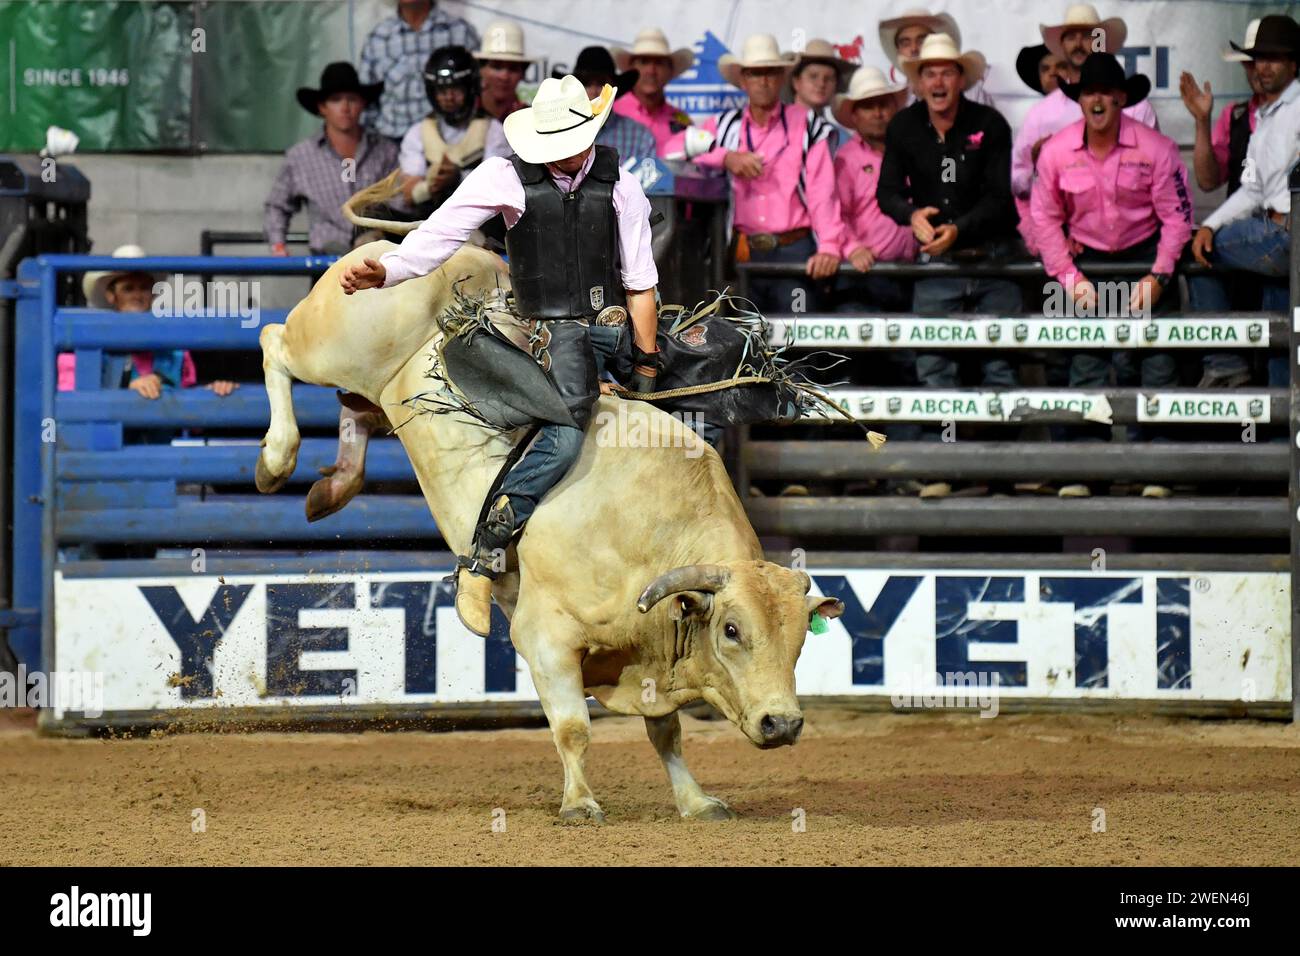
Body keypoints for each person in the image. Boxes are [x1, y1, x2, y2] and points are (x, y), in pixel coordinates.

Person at [337, 76, 660, 636]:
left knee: (707, 371)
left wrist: (650, 363)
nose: (562, 154)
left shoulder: (622, 187)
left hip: (608, 323)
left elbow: (639, 283)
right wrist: (388, 270)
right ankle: (485, 548)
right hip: (543, 326)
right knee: (567, 424)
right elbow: (438, 237)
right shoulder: (502, 177)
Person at [1031, 54, 1193, 497]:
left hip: (1146, 260)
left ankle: (1156, 470)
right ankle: (1085, 470)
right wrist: (1069, 277)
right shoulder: (1056, 152)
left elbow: (1178, 218)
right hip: (1086, 266)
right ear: (1079, 100)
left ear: (1121, 99)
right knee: (1086, 366)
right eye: (1088, 92)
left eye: (1105, 92)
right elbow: (1044, 219)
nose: (1097, 99)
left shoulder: (1156, 148)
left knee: (1156, 366)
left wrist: (1158, 277)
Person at [877, 32, 1020, 498]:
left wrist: (958, 229)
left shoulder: (991, 124)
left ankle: (999, 475)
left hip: (992, 260)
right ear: (918, 81)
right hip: (936, 266)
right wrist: (911, 215)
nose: (938, 81)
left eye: (946, 72)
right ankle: (945, 469)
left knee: (999, 367)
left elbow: (1002, 200)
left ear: (961, 78)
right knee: (935, 369)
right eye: (929, 73)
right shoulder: (902, 127)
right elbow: (888, 193)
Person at [670, 33, 844, 315]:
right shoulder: (726, 125)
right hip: (742, 251)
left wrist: (829, 246)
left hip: (795, 250)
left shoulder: (808, 124)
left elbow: (822, 192)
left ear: (781, 79)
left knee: (796, 341)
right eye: (755, 74)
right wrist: (726, 157)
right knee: (744, 344)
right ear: (743, 80)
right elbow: (674, 148)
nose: (763, 81)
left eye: (771, 73)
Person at [1189, 14, 1300, 391]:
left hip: (1285, 231)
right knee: (1278, 328)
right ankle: (1277, 429)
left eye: (1273, 58)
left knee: (1197, 254)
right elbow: (1251, 188)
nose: (1261, 67)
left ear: (1293, 63)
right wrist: (1209, 224)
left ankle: (1224, 362)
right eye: (1256, 59)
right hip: (1275, 235)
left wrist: (1210, 230)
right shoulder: (1262, 118)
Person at [1012, 5, 1160, 255]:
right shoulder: (1041, 115)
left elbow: (1160, 178)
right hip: (1065, 248)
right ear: (1061, 46)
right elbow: (1019, 187)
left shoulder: (1136, 109)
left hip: (1137, 245)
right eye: (1071, 36)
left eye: (1088, 35)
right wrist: (1037, 170)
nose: (1079, 43)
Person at [61, 245, 237, 400]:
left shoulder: (175, 350)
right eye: (128, 289)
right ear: (111, 296)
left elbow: (190, 407)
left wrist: (214, 392)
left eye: (144, 288)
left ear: (153, 294)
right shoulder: (87, 341)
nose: (137, 295)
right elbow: (70, 395)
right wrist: (126, 390)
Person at [264, 63, 400, 256]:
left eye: (351, 99)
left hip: (377, 262)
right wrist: (277, 245)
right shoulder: (301, 156)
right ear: (322, 107)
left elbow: (402, 204)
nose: (345, 107)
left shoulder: (386, 151)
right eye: (336, 100)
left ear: (362, 103)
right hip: (325, 263)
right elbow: (277, 205)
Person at [832, 66, 916, 311]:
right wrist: (852, 247)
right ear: (855, 116)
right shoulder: (846, 160)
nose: (878, 113)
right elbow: (835, 213)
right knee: (860, 347)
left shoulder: (911, 152)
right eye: (869, 106)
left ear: (894, 109)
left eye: (884, 105)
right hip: (862, 274)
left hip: (911, 272)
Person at [358, 0, 480, 141]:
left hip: (453, 140)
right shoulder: (378, 38)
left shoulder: (460, 32)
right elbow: (366, 102)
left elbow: (480, 88)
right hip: (394, 142)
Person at [399, 45, 499, 210]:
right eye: (441, 90)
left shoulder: (493, 131)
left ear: (470, 87)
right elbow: (410, 195)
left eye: (456, 89)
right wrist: (430, 187)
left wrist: (457, 178)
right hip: (427, 220)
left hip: (477, 221)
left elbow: (495, 189)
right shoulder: (417, 133)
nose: (449, 97)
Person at [1180, 20, 1265, 197]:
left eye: (1268, 59)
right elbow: (1208, 181)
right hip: (1242, 222)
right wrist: (1202, 121)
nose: (1259, 69)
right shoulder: (1234, 116)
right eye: (1251, 61)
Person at [877, 7, 995, 107]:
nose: (914, 49)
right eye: (905, 43)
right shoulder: (895, 101)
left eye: (921, 40)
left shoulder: (971, 92)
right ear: (898, 50)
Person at [1011, 43, 1066, 253]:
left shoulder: (1095, 112)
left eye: (1060, 65)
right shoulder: (1031, 119)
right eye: (1045, 68)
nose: (1052, 72)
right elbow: (1018, 184)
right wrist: (1036, 166)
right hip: (1044, 223)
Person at [611, 28, 696, 156]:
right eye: (644, 62)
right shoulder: (611, 112)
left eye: (659, 63)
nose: (651, 70)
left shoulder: (682, 120)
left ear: (670, 71)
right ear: (631, 70)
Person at [566, 46, 657, 164]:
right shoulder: (558, 132)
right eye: (586, 83)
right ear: (574, 89)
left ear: (614, 89)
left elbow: (647, 180)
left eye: (602, 84)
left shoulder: (640, 137)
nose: (594, 91)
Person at [787, 39, 855, 144]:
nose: (821, 84)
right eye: (813, 76)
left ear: (835, 86)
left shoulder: (842, 139)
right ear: (796, 82)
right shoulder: (774, 128)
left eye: (829, 79)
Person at [475, 19, 536, 121]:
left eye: (513, 69)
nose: (504, 76)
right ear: (481, 70)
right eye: (497, 67)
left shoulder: (530, 120)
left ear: (523, 74)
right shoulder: (463, 113)